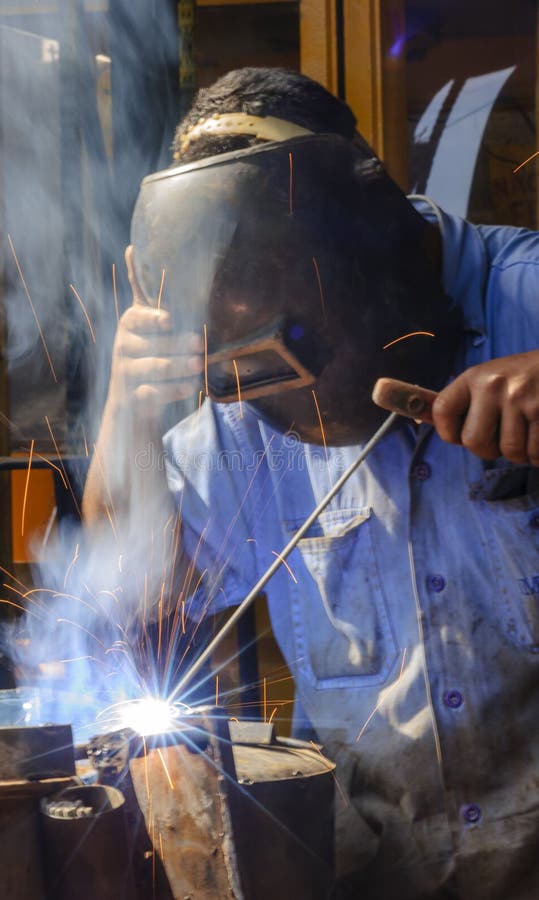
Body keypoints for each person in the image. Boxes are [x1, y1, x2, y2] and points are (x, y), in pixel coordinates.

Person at [83, 67, 539, 899]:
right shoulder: (239, 391)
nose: (277, 398)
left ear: (360, 237)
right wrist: (129, 422)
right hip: (384, 874)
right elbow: (134, 597)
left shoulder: (526, 293)